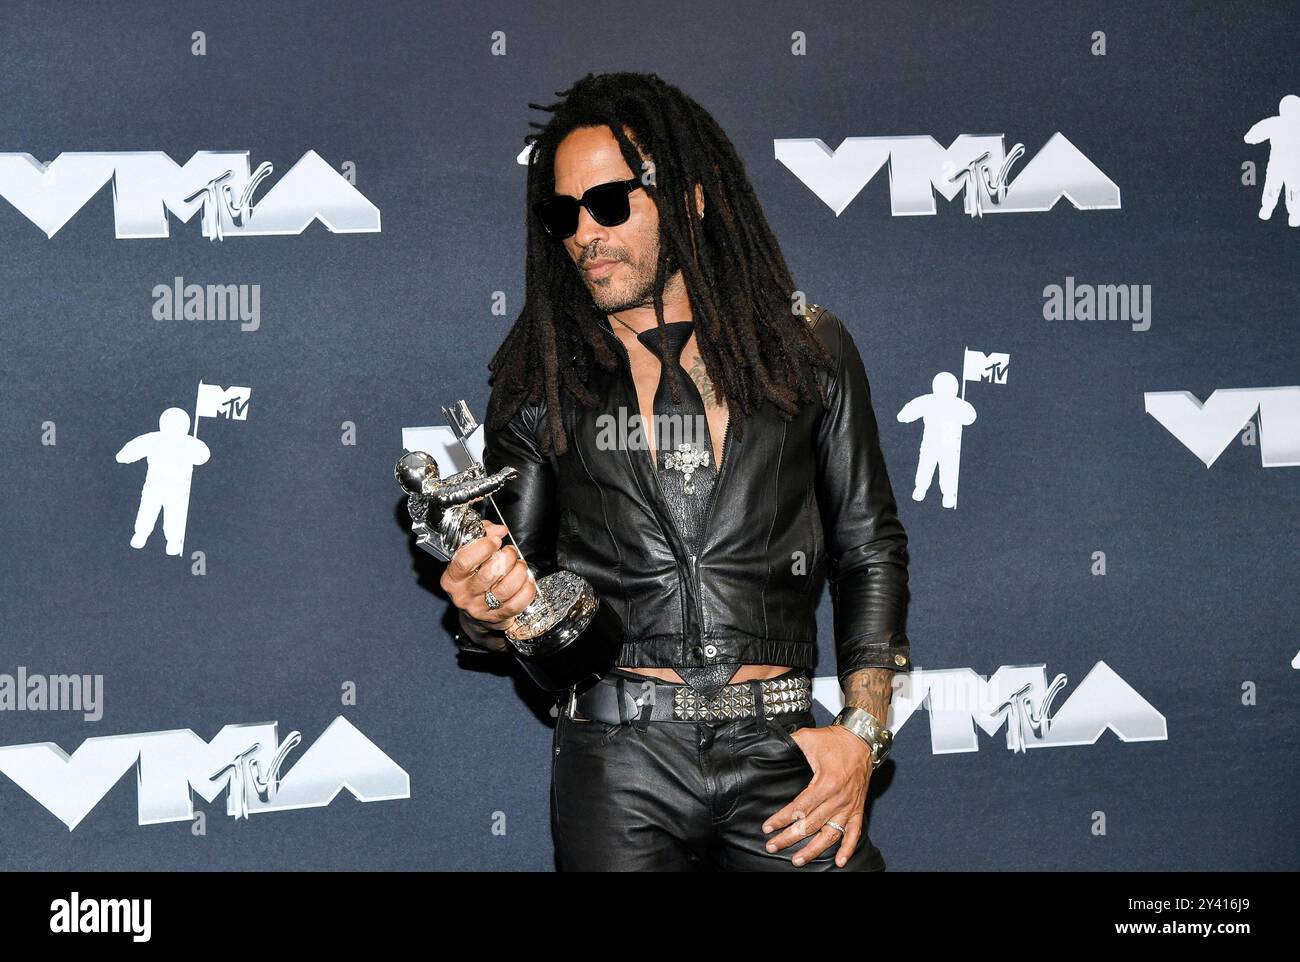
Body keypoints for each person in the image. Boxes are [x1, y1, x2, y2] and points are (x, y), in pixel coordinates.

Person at [439, 72, 912, 871]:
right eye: (564, 215)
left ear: (689, 199)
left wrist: (861, 733)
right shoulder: (542, 378)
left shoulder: (807, 352)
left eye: (611, 204)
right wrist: (482, 607)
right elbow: (512, 593)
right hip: (619, 767)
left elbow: (868, 549)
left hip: (784, 755)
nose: (585, 233)